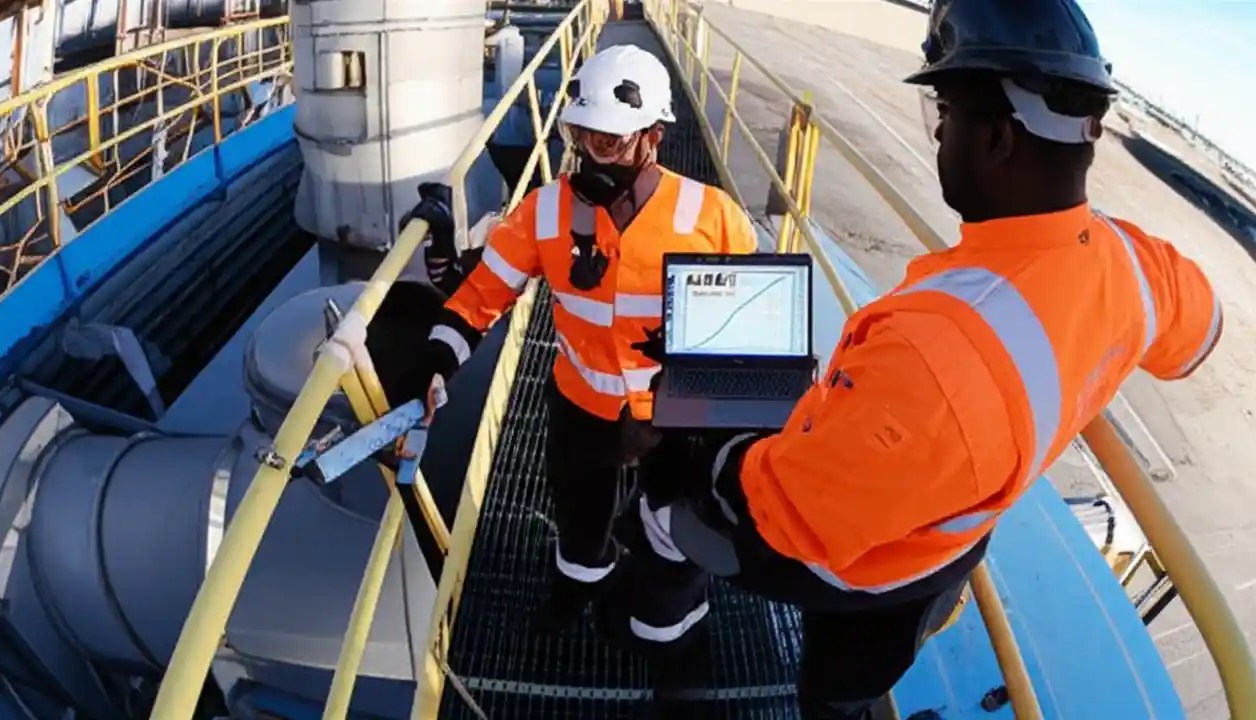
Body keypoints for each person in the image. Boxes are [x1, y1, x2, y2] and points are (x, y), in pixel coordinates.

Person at [597, 1, 1224, 718]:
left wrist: (693, 455)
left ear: (997, 139)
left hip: (859, 555)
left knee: (660, 506)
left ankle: (665, 651)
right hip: (946, 549)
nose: (938, 135)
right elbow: (1200, 332)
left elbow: (784, 517)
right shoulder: (1133, 266)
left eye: (944, 114)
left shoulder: (944, 347)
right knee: (844, 684)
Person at [387, 43, 758, 629]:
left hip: (676, 422)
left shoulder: (714, 220)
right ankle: (576, 593)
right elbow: (479, 298)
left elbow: (745, 341)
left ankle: (670, 644)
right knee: (581, 525)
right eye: (582, 136)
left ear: (651, 139)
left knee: (678, 535)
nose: (591, 155)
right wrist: (434, 361)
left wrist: (666, 416)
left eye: (608, 142)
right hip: (581, 410)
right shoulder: (546, 213)